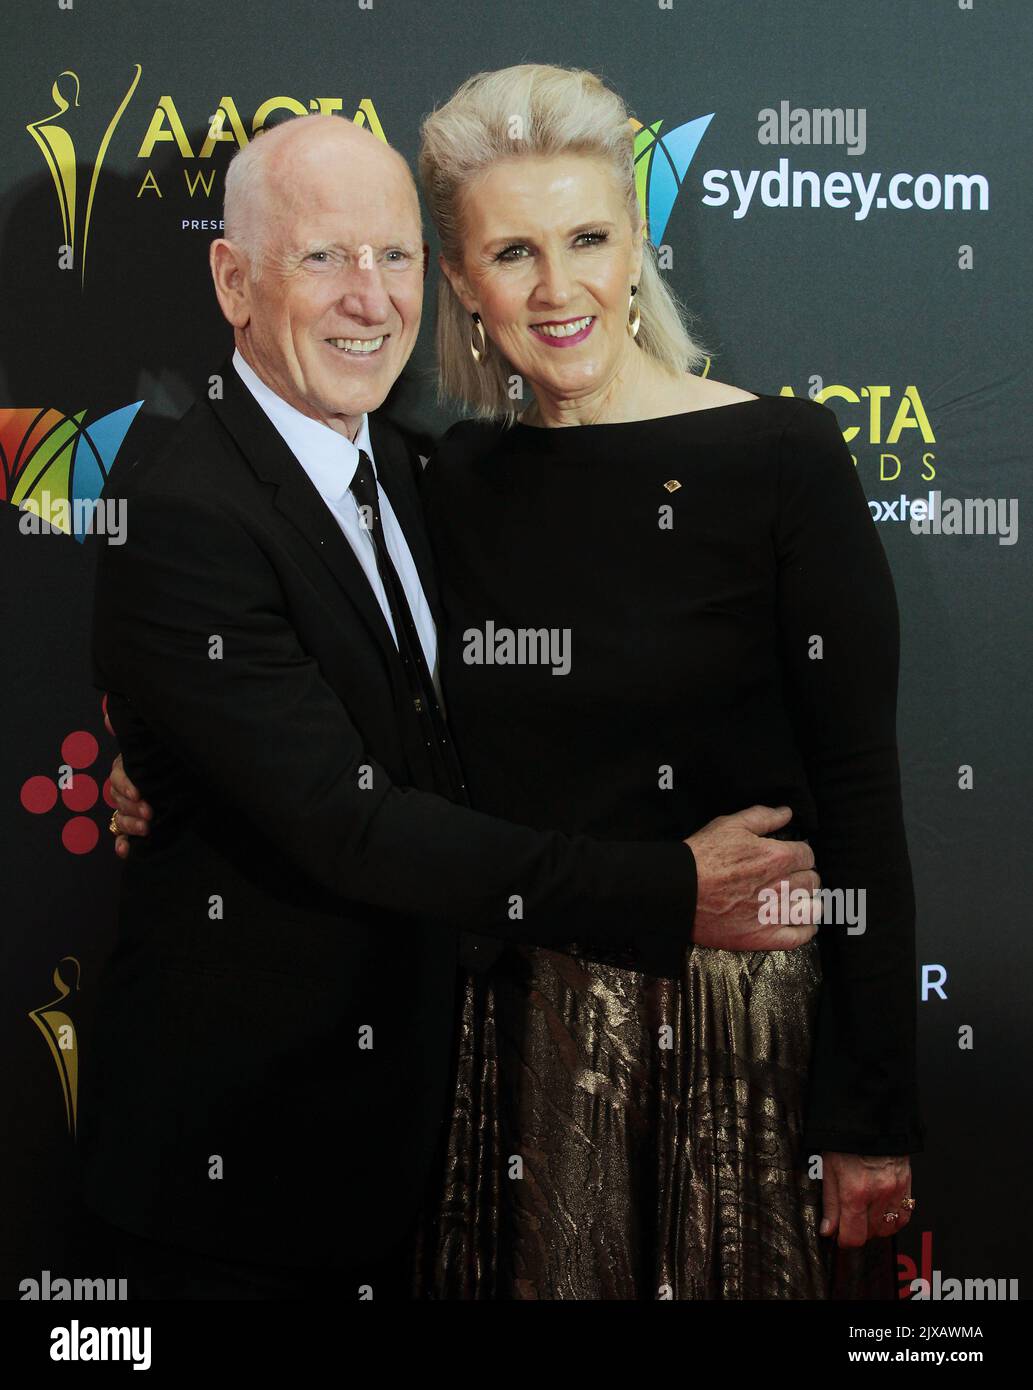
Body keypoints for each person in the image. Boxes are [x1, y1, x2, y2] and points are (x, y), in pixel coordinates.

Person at [86, 111, 818, 1300]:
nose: (368, 299)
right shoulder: (184, 512)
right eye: (323, 258)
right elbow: (351, 821)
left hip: (424, 1142)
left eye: (395, 258)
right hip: (239, 1171)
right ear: (233, 279)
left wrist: (163, 754)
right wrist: (675, 889)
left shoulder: (415, 470)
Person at [408, 62, 922, 1298]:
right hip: (523, 1053)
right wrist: (162, 779)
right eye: (512, 252)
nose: (556, 285)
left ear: (637, 243)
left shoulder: (780, 454)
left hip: (746, 1048)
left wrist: (872, 1113)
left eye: (587, 236)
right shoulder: (444, 487)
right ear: (463, 286)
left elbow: (860, 796)